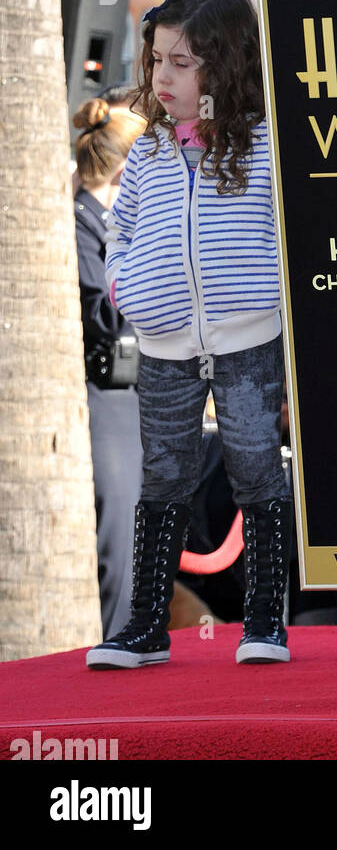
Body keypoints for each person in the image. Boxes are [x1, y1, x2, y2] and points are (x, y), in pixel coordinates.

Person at [86, 0, 291, 669]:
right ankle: (145, 628)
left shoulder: (266, 146)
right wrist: (128, 286)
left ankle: (265, 624)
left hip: (247, 339)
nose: (161, 77)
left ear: (225, 64)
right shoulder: (146, 154)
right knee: (162, 478)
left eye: (180, 62)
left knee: (257, 474)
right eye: (157, 62)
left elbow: (288, 233)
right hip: (166, 344)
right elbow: (122, 229)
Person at [73, 96, 147, 638]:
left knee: (137, 535)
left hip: (133, 397)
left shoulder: (102, 224)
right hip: (105, 394)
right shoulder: (80, 225)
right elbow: (102, 314)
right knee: (118, 537)